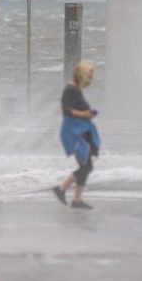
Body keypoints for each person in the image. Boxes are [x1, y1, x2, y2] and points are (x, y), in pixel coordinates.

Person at [53, 62, 101, 210]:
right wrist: (85, 114)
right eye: (88, 75)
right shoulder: (71, 90)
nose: (90, 79)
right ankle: (61, 189)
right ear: (81, 75)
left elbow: (76, 109)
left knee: (86, 166)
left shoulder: (76, 90)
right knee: (86, 166)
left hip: (82, 130)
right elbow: (67, 110)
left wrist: (88, 114)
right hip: (74, 131)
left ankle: (77, 200)